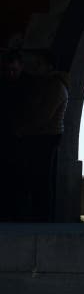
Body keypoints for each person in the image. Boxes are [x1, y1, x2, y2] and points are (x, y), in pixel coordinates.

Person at [14, 50, 70, 221]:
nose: (35, 67)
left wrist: (22, 129)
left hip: (46, 137)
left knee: (42, 179)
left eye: (39, 64)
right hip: (43, 136)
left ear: (49, 66)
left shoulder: (54, 86)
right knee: (38, 178)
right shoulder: (47, 84)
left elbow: (43, 116)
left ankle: (43, 217)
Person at [0, 50, 24, 221]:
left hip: (18, 142)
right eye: (8, 70)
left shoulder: (28, 87)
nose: (11, 74)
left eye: (14, 70)